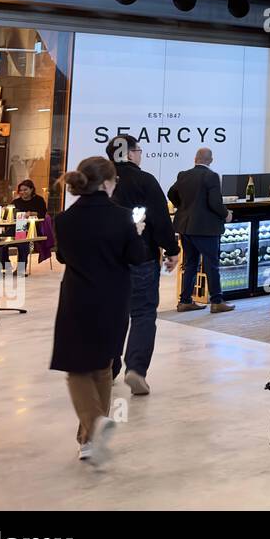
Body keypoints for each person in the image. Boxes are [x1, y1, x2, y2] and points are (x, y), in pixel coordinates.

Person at [50, 156, 148, 463]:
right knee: (103, 366)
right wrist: (138, 233)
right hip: (114, 299)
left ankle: (91, 429)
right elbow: (136, 256)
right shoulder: (121, 218)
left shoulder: (63, 220)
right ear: (107, 183)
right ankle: (90, 435)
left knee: (77, 367)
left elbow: (63, 257)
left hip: (78, 298)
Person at [107, 135, 178, 396]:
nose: (140, 155)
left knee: (113, 312)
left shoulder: (101, 181)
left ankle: (108, 366)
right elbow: (159, 217)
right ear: (131, 153)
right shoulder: (145, 180)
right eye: (139, 150)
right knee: (144, 313)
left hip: (108, 261)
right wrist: (172, 250)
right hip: (142, 257)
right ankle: (135, 368)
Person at [167, 147, 233, 314]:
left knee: (190, 264)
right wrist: (226, 215)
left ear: (195, 159)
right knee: (212, 264)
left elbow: (171, 193)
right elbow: (214, 203)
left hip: (185, 227)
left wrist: (182, 207)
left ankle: (185, 301)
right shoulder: (211, 176)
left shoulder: (183, 175)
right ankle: (217, 301)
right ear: (210, 160)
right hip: (206, 228)